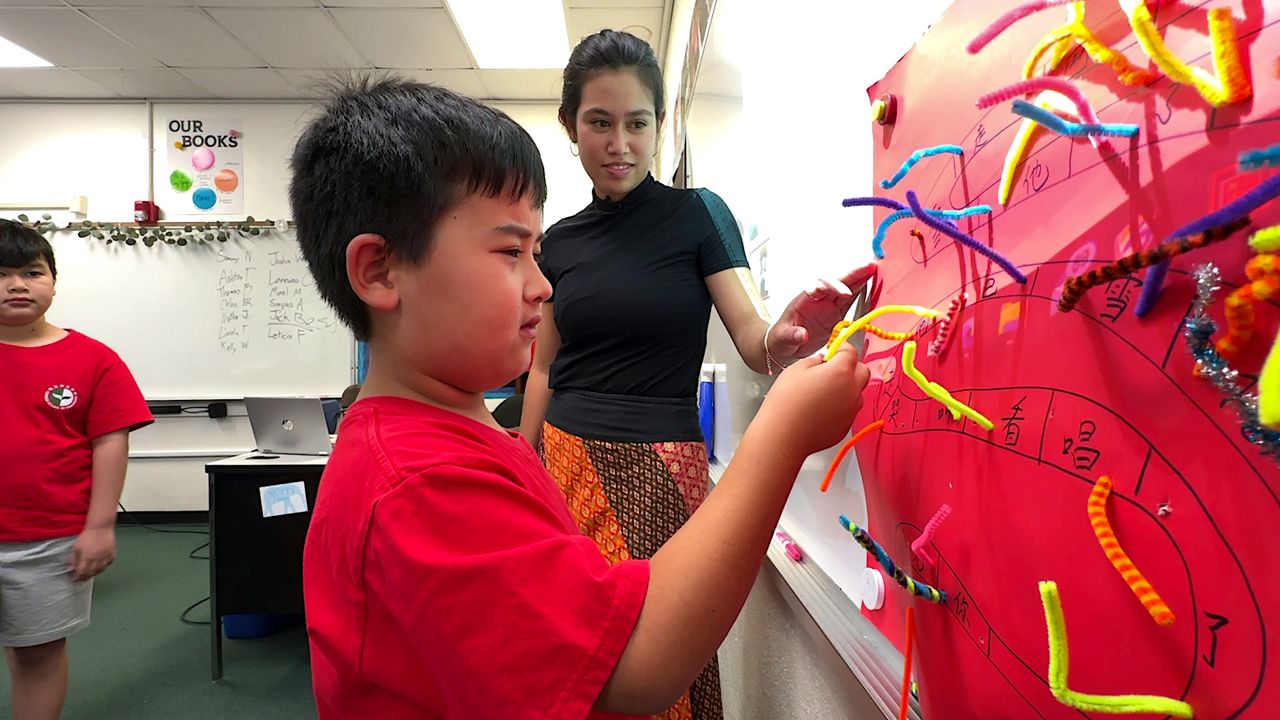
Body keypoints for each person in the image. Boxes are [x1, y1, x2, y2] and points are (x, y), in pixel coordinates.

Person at [293, 76, 871, 719]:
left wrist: (783, 348)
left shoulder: (458, 442)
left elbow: (753, 336)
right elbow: (632, 666)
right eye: (510, 251)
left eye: (535, 252)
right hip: (581, 450)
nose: (542, 286)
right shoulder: (422, 483)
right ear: (379, 271)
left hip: (659, 455)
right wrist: (782, 434)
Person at [519, 30, 875, 717]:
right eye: (599, 123)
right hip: (564, 462)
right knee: (578, 647)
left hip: (663, 464)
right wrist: (525, 458)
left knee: (661, 658)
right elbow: (544, 367)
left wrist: (787, 334)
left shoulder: (697, 215)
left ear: (660, 124)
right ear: (571, 126)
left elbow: (754, 340)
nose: (619, 144)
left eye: (636, 123)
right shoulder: (557, 242)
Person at [0, 219, 153, 720]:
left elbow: (111, 441)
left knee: (36, 654)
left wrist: (100, 526)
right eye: (1, 275)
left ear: (53, 280)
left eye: (31, 272)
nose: (17, 285)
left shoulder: (93, 359)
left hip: (48, 541)